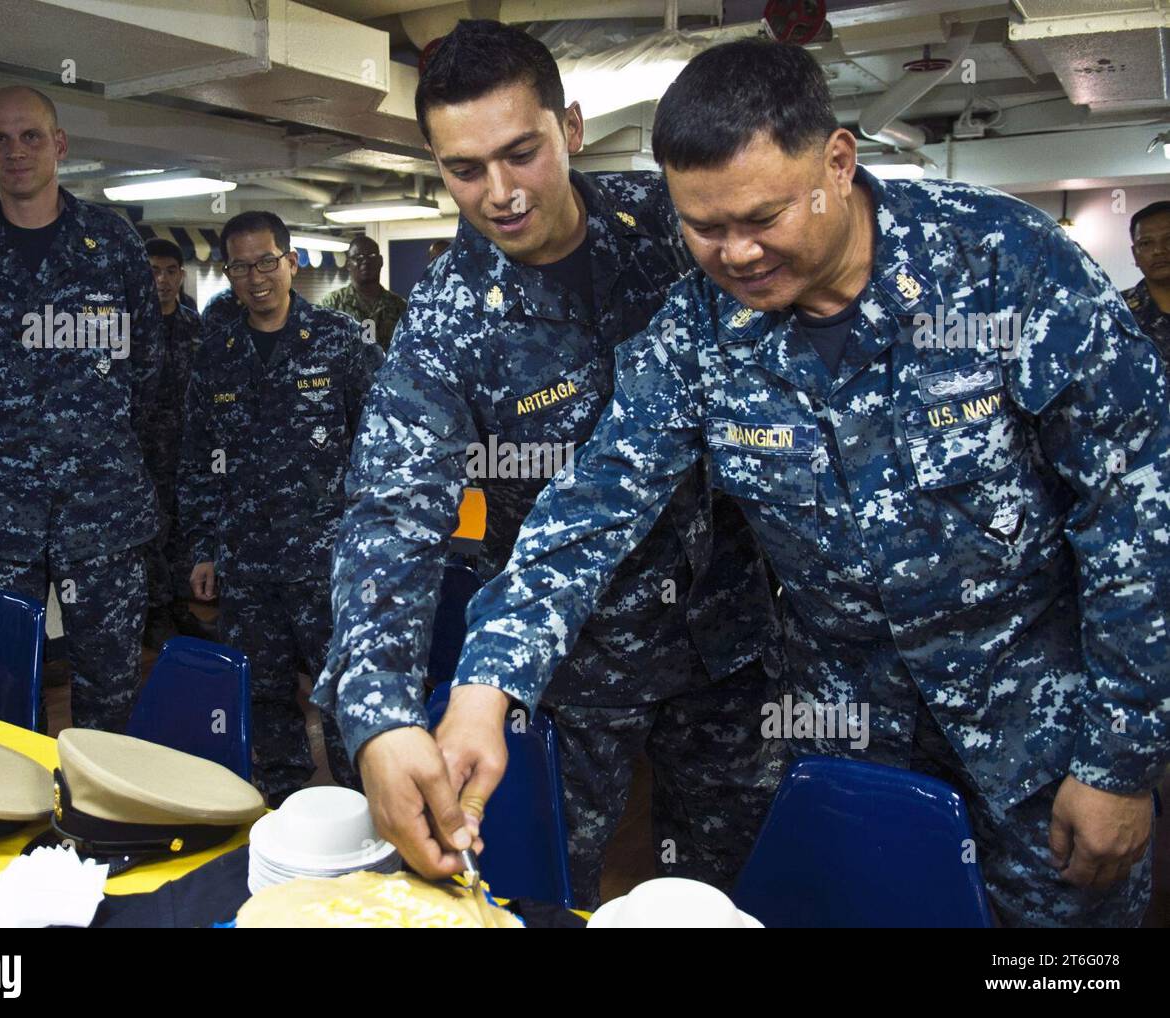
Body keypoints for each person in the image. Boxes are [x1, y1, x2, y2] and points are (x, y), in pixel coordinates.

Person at [444, 39, 1170, 927]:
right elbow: (593, 504)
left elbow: (1137, 515)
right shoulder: (699, 335)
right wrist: (487, 683)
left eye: (762, 217)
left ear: (838, 160)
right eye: (703, 229)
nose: (737, 254)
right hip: (854, 747)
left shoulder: (1000, 265)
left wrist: (1121, 759)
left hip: (1044, 743)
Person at [312, 20, 779, 908]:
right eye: (463, 169)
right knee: (539, 886)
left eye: (520, 153)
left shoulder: (674, 224)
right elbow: (391, 511)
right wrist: (374, 713)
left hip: (728, 639)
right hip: (565, 661)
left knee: (723, 892)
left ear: (569, 126)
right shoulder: (449, 319)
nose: (500, 194)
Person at [0, 85, 160, 731]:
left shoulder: (112, 246)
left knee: (108, 688)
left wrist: (109, 458)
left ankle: (101, 824)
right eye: (0, 138)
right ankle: (8, 824)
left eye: (30, 136)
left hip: (101, 512)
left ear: (60, 145)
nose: (15, 150)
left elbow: (150, 374)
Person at [180, 211, 384, 805]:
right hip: (248, 565)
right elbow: (198, 460)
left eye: (267, 261)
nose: (256, 276)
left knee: (346, 694)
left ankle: (372, 819)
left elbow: (378, 446)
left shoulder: (339, 341)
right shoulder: (215, 355)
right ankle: (285, 813)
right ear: (229, 274)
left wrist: (370, 543)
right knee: (264, 699)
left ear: (291, 263)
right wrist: (201, 549)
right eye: (240, 266)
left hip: (330, 563)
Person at [140, 238, 207, 648]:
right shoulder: (125, 331)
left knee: (184, 533)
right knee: (149, 536)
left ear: (180, 276)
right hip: (143, 456)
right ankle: (155, 613)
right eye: (152, 271)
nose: (161, 280)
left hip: (188, 455)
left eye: (169, 272)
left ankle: (182, 607)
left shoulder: (197, 328)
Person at [318, 236, 407, 352]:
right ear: (348, 264)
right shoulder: (331, 304)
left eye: (371, 256)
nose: (365, 261)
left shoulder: (400, 307)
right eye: (358, 257)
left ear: (381, 261)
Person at [1122, 200, 1170, 379]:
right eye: (1146, 244)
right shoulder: (1116, 313)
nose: (1159, 250)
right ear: (1135, 254)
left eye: (1169, 239)